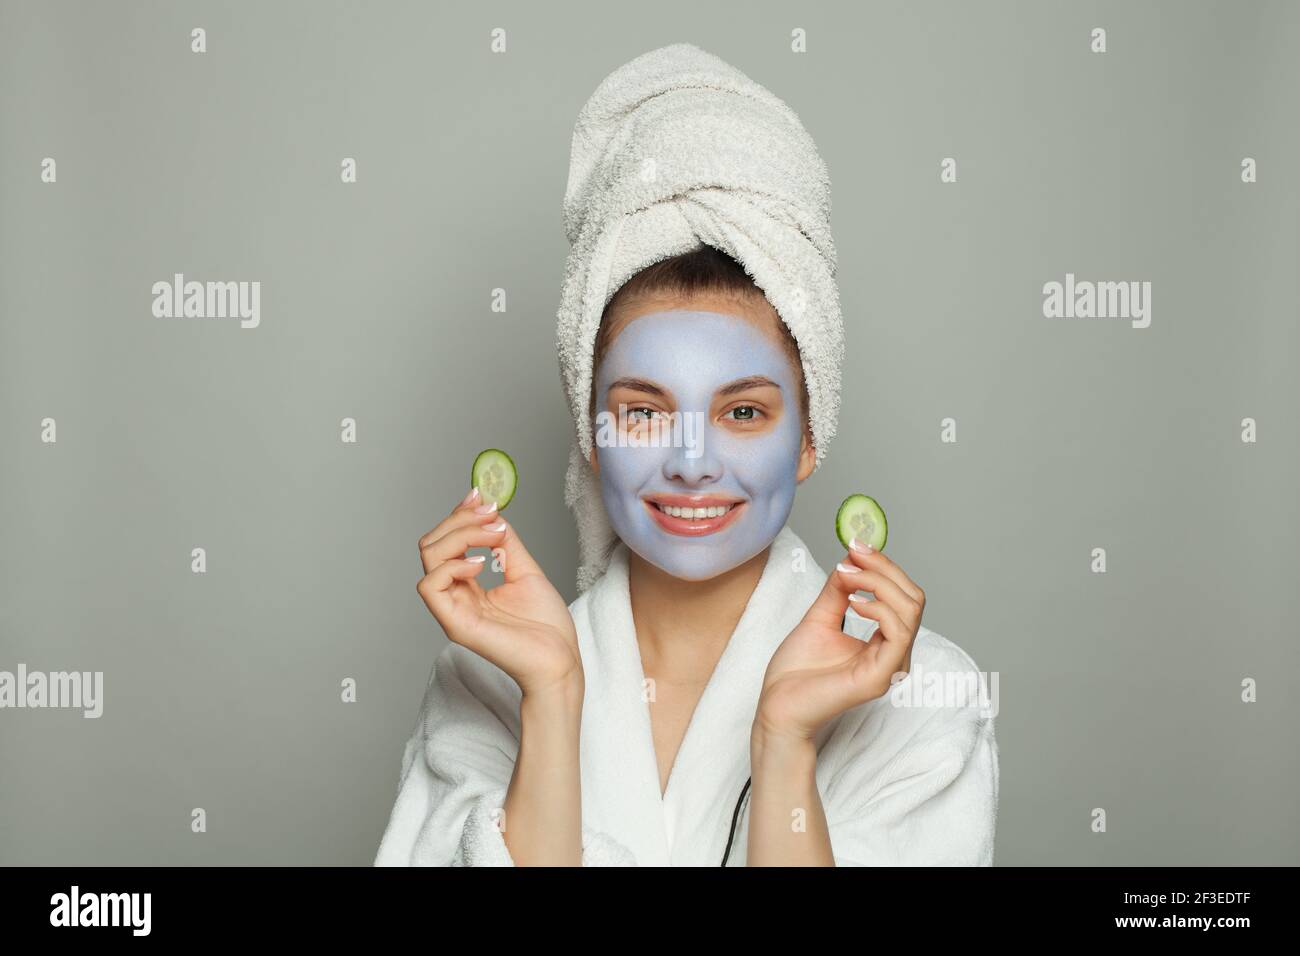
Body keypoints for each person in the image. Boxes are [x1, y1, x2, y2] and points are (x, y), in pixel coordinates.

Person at [374, 44, 998, 866]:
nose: (692, 462)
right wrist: (554, 697)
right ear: (590, 435)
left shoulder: (924, 697)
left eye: (743, 410)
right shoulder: (488, 681)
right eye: (642, 413)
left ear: (809, 436)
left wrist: (783, 743)